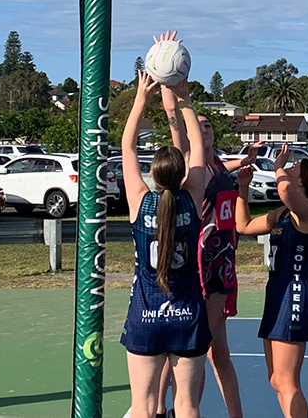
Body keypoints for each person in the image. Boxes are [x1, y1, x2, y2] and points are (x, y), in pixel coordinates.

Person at [155, 31, 249, 418]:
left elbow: (234, 220)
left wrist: (243, 184)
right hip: (193, 264)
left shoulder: (221, 169)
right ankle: (164, 408)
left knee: (217, 348)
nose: (204, 128)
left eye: (210, 125)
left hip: (221, 266)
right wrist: (169, 78)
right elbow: (175, 119)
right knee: (188, 346)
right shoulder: (191, 167)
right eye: (201, 123)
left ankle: (233, 414)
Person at [120, 70, 210, 418]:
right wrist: (183, 96)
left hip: (146, 313)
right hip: (188, 313)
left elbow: (127, 145)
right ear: (181, 174)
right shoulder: (192, 200)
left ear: (153, 176)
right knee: (187, 405)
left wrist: (142, 97)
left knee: (143, 406)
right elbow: (197, 146)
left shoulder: (140, 202)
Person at [234, 143, 308, 418]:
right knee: (276, 378)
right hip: (276, 292)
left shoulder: (306, 212)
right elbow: (245, 227)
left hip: (295, 294)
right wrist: (243, 189)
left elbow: (285, 190)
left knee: (288, 382)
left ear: (302, 182)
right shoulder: (284, 213)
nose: (288, 167)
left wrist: (276, 165)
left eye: (294, 168)